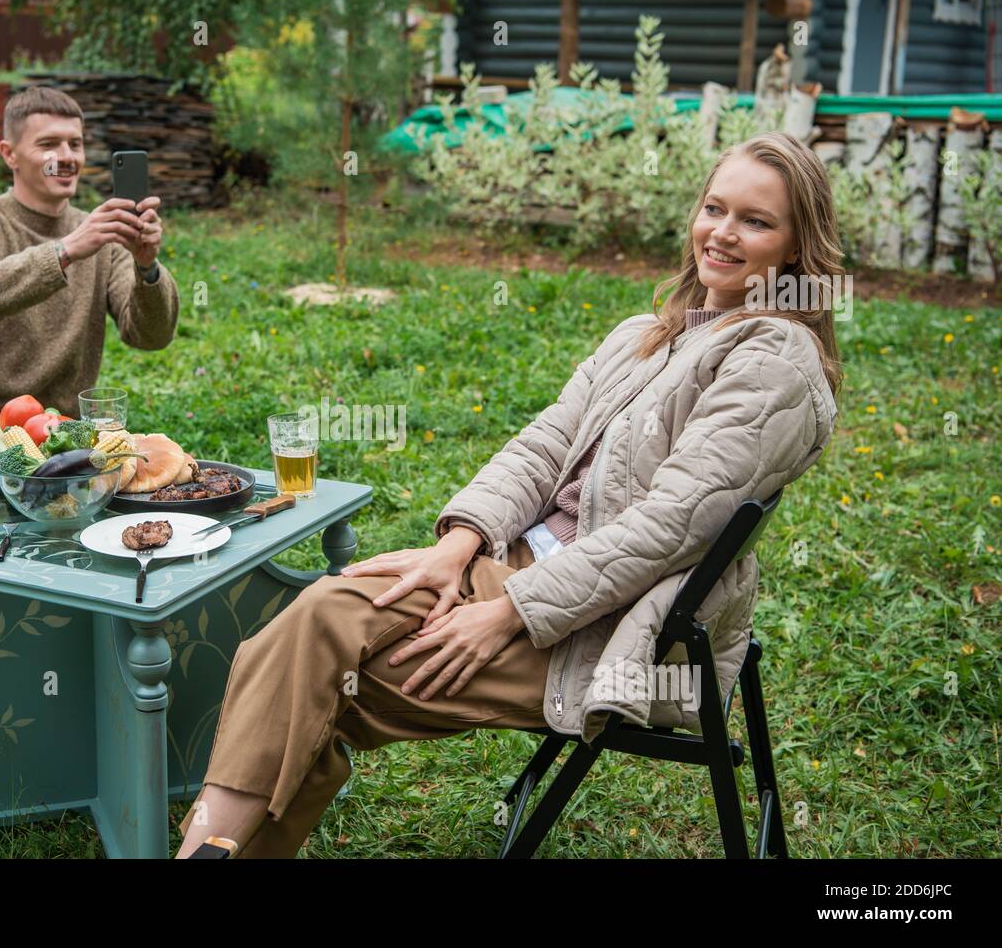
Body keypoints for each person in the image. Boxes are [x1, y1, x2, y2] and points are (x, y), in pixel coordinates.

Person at [174, 131, 844, 858]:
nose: (722, 232)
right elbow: (543, 444)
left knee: (321, 672)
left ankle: (207, 850)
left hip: (613, 627)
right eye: (714, 208)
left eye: (755, 221)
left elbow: (668, 527)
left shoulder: (774, 358)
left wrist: (510, 613)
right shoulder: (645, 336)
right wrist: (457, 549)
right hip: (520, 563)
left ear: (796, 249)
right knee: (326, 621)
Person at [0, 86, 179, 488]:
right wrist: (65, 251)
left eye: (75, 144)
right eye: (49, 144)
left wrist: (147, 267)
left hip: (56, 425)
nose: (66, 157)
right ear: (9, 154)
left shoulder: (103, 237)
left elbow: (150, 336)